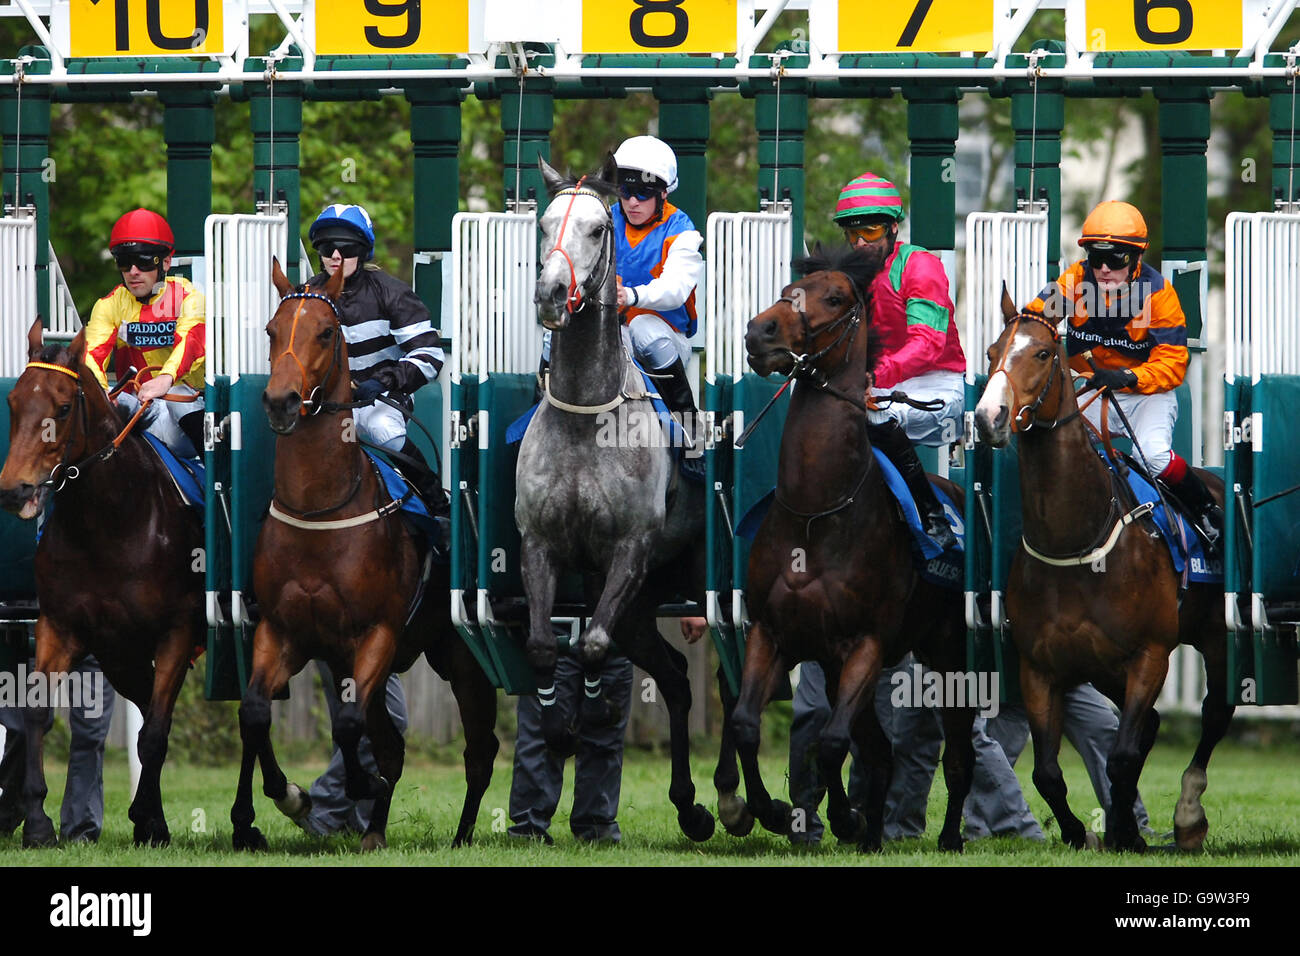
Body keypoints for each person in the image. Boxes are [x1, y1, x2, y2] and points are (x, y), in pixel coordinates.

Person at [1025, 199, 1222, 546]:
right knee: (1058, 446)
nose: (1103, 269)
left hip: (1146, 396)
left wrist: (1130, 377)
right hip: (1092, 392)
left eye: (1115, 258)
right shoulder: (1073, 281)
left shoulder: (1160, 295)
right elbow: (1036, 319)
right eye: (1096, 258)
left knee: (1156, 455)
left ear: (1135, 259)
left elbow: (1174, 364)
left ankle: (1206, 510)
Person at [539, 135, 706, 477]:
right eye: (625, 192)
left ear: (663, 193)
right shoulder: (602, 219)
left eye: (643, 194)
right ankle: (537, 414)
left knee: (645, 331)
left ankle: (690, 429)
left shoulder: (683, 231)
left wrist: (630, 296)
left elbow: (675, 289)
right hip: (607, 331)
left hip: (665, 335)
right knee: (553, 334)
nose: (632, 202)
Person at [834, 171, 963, 551]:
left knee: (876, 417)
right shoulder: (848, 274)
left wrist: (877, 374)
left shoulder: (920, 266)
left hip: (938, 383)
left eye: (870, 232)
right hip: (878, 382)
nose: (859, 243)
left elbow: (928, 343)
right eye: (852, 233)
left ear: (892, 228)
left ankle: (931, 513)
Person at [305, 202, 447, 507]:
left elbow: (430, 354)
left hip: (382, 398)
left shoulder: (392, 293)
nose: (336, 256)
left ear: (364, 251)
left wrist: (383, 381)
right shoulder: (308, 295)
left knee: (382, 429)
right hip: (328, 402)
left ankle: (436, 506)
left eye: (347, 247)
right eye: (327, 247)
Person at [84, 208, 206, 458]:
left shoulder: (189, 297)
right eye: (125, 262)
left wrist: (165, 379)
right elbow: (91, 356)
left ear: (166, 262)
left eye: (143, 260)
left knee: (177, 397)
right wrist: (103, 396)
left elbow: (191, 342)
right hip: (137, 409)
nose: (133, 271)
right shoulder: (108, 305)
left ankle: (219, 483)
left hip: (184, 408)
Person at [507, 630, 633, 845]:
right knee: (542, 735)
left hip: (616, 635)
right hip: (554, 631)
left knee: (605, 734)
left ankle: (596, 826)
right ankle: (528, 829)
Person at [0, 650, 117, 845]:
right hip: (33, 635)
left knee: (91, 733)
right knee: (23, 729)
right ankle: (8, 809)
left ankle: (80, 831)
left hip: (95, 638)